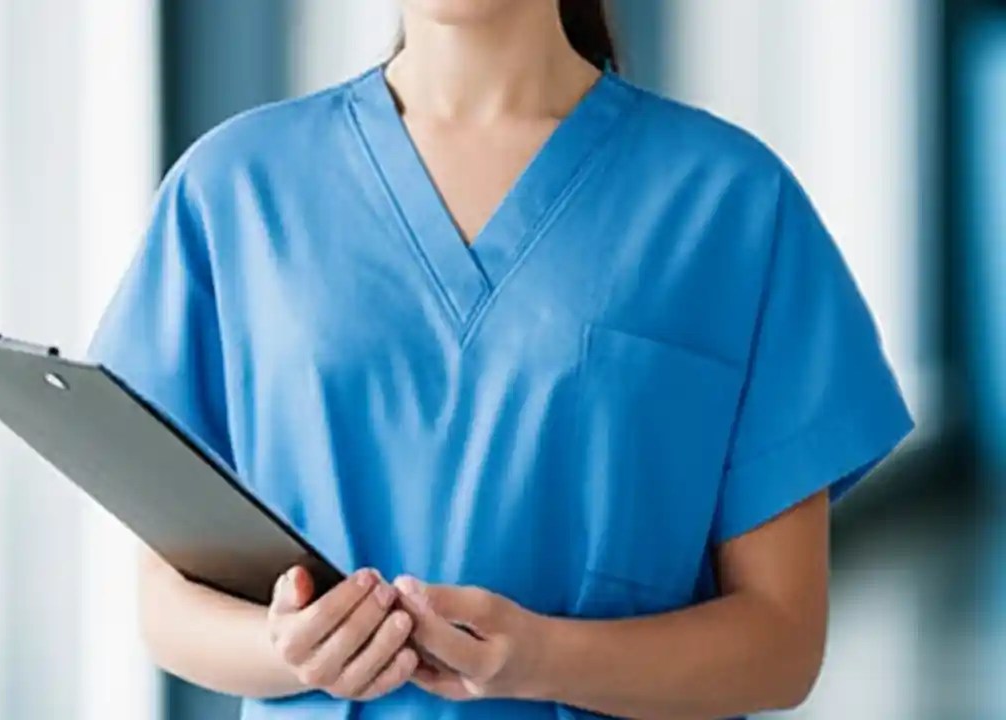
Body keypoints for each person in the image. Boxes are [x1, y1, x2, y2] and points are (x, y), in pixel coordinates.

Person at [89, 0, 914, 717]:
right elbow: (168, 606)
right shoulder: (233, 189)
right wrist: (296, 650)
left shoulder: (730, 204)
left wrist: (547, 660)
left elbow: (781, 644)